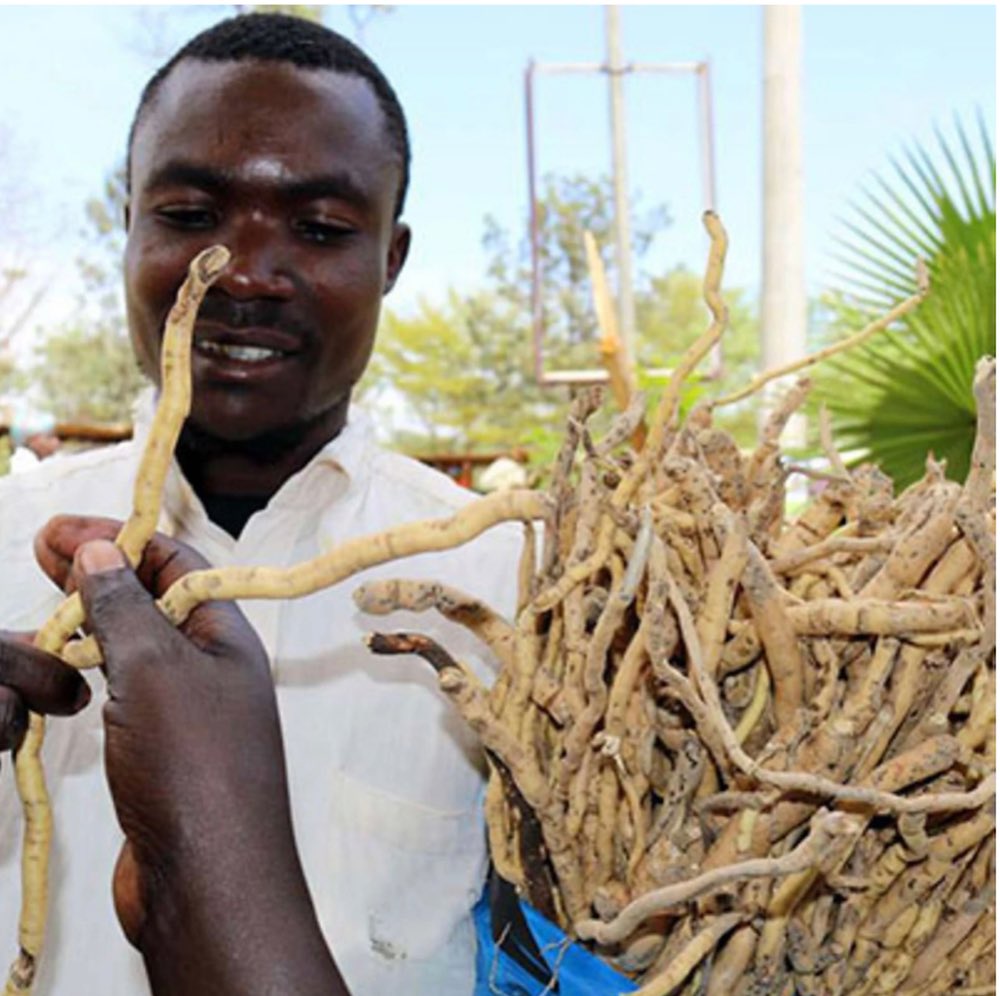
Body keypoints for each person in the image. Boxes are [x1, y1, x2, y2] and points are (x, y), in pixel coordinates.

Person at [0, 13, 520, 995]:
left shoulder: (503, 588)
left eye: (320, 229)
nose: (239, 272)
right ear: (130, 225)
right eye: (191, 216)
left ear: (392, 258)